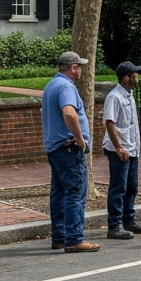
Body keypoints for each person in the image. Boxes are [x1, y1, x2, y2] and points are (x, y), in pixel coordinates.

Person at [42, 51, 99, 252]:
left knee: (58, 192)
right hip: (68, 148)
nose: (81, 70)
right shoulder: (66, 86)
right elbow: (69, 112)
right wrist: (79, 136)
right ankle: (74, 238)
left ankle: (60, 236)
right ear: (74, 68)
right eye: (79, 66)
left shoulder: (51, 85)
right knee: (75, 191)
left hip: (54, 147)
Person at [102, 61, 141, 239]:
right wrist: (118, 147)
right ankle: (114, 225)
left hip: (132, 149)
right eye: (135, 74)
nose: (137, 77)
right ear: (126, 77)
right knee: (118, 188)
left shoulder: (129, 95)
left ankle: (128, 220)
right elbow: (110, 122)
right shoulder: (114, 97)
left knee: (132, 187)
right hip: (120, 150)